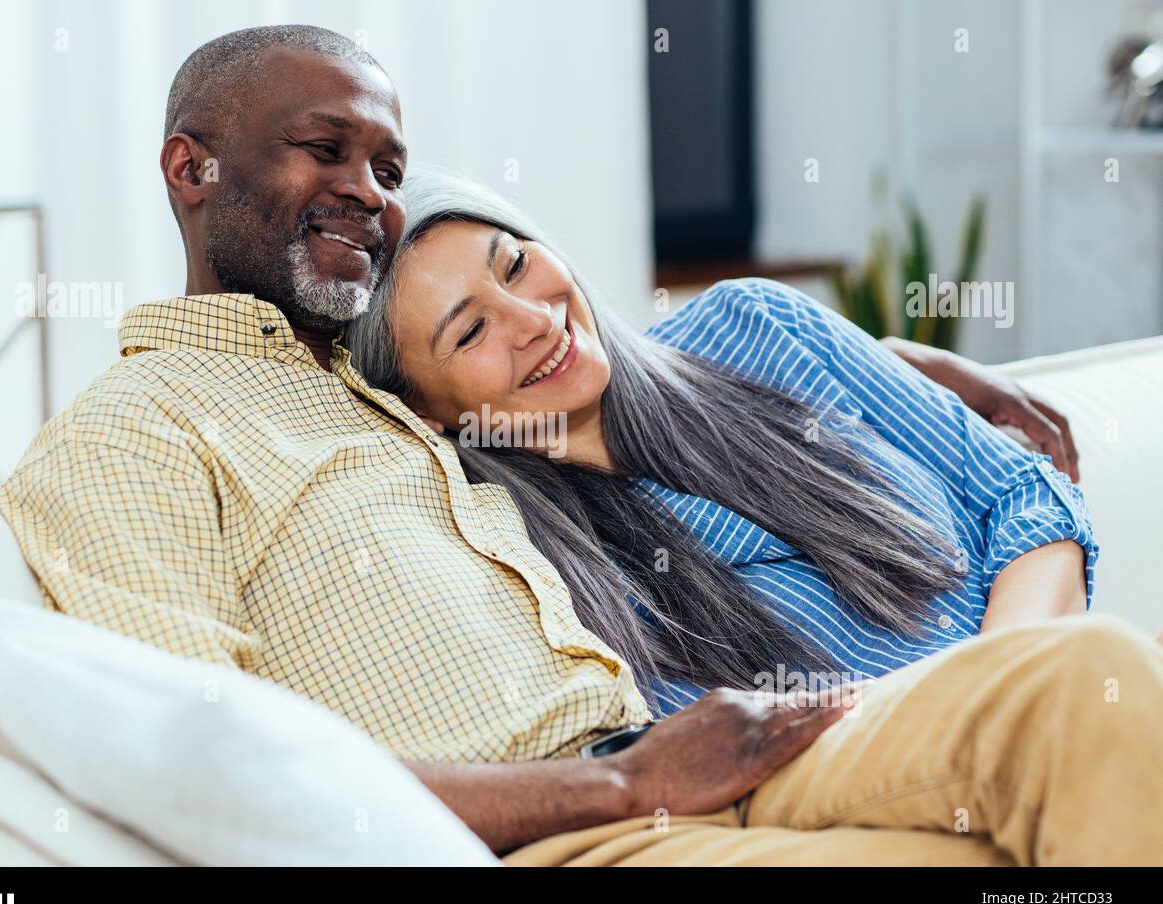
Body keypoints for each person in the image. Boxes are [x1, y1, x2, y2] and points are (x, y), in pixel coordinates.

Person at [0, 26, 1162, 865]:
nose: (365, 193)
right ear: (189, 168)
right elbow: (210, 756)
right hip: (614, 810)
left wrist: (905, 365)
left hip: (722, 770)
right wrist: (627, 778)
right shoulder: (132, 432)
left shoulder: (369, 402)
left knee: (1070, 695)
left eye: (386, 167)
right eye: (321, 147)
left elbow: (650, 364)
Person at [345, 171, 1098, 716]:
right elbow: (723, 746)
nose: (533, 319)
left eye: (514, 263)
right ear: (428, 412)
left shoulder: (756, 325)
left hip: (1064, 691)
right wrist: (974, 720)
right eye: (471, 330)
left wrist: (1001, 683)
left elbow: (1024, 491)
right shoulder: (527, 569)